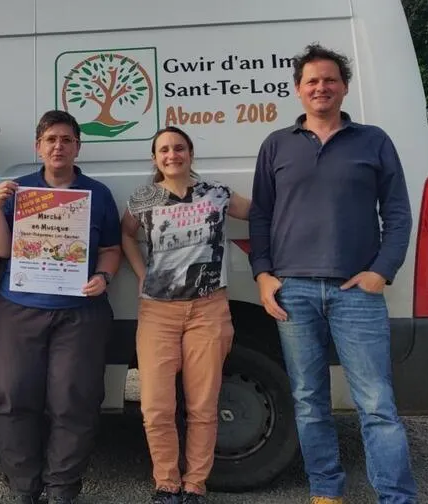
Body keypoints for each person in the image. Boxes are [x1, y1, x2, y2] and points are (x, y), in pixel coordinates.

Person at [248, 44, 417, 504]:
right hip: (293, 292)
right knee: (308, 401)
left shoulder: (374, 140)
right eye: (311, 81)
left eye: (329, 80)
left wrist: (382, 271)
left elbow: (399, 213)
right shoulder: (277, 145)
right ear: (298, 90)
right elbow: (261, 214)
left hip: (356, 292)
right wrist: (263, 274)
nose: (320, 87)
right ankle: (326, 491)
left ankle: (396, 497)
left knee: (377, 405)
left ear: (343, 86)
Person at [0, 110, 122, 504]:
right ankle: (23, 487)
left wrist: (104, 277)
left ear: (78, 146)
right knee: (13, 397)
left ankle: (62, 487)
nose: (58, 146)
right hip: (17, 308)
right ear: (38, 147)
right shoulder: (18, 192)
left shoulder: (98, 194)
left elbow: (111, 249)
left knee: (73, 399)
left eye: (67, 139)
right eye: (51, 140)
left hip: (80, 313)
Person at [121, 126, 251, 504]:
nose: (171, 155)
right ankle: (166, 483)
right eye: (163, 150)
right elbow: (126, 234)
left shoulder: (217, 194)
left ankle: (195, 484)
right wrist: (142, 273)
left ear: (190, 153)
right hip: (158, 311)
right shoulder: (144, 198)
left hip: (208, 309)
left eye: (178, 148)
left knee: (202, 404)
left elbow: (263, 213)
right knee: (156, 405)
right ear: (154, 158)